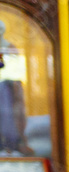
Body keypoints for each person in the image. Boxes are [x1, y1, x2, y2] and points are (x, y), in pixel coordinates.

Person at [0, 19, 30, 155]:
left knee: (8, 115)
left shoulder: (9, 48)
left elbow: (15, 74)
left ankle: (14, 143)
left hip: (7, 90)